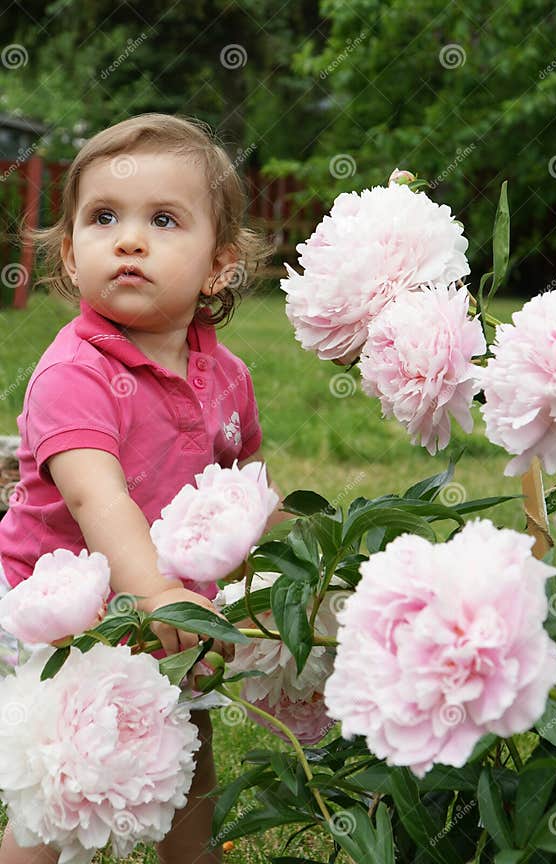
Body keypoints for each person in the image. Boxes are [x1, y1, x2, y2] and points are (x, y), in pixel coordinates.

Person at [0, 113, 284, 864]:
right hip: (61, 610)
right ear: (69, 253)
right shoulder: (75, 374)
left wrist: (291, 560)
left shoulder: (226, 376)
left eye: (162, 219)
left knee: (185, 745)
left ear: (219, 265)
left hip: (169, 607)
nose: (128, 239)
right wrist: (156, 593)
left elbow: (239, 488)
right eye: (103, 218)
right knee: (70, 774)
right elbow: (100, 501)